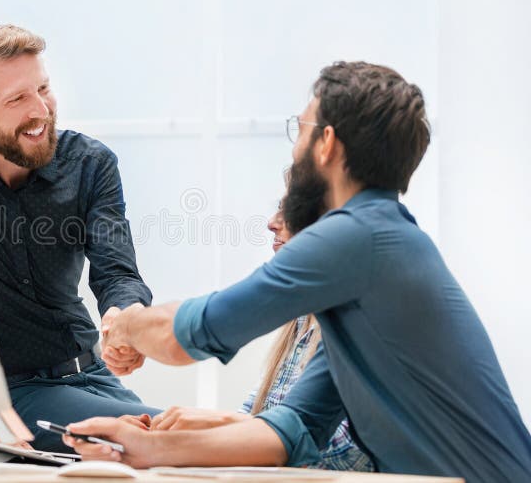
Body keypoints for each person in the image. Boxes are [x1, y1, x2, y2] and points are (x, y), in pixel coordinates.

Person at [70, 61, 531, 482]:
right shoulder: (374, 256)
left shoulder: (356, 237)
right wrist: (145, 449)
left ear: (326, 143)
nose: (296, 150)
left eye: (301, 129)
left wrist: (125, 323)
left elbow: (192, 333)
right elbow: (293, 430)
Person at [0, 24, 159, 452]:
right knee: (177, 439)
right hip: (8, 395)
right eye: (17, 99)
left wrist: (125, 320)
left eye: (43, 88)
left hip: (90, 375)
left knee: (187, 436)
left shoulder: (91, 164)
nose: (41, 110)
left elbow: (116, 272)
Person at [140, 198, 373, 472]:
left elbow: (348, 450)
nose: (271, 223)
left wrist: (220, 423)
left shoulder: (359, 320)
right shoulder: (300, 320)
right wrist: (166, 431)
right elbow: (255, 414)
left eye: (291, 209)